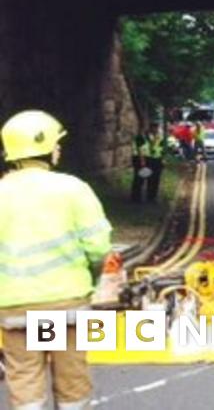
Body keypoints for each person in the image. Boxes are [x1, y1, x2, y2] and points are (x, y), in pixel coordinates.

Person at [0, 110, 113, 410]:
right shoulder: (73, 189)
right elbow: (99, 247)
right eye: (57, 143)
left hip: (15, 307)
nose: (59, 149)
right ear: (47, 148)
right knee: (71, 381)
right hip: (66, 305)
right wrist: (93, 275)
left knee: (24, 382)